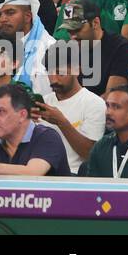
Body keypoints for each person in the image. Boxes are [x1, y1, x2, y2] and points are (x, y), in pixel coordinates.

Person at [35, 40, 105, 173]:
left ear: (77, 70)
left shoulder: (94, 103)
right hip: (41, 173)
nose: (54, 79)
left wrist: (62, 122)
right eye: (50, 72)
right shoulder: (43, 102)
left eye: (60, 73)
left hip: (75, 175)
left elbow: (89, 154)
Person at [59, 1, 128, 97]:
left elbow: (112, 97)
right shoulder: (68, 50)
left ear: (95, 23)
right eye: (69, 31)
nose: (73, 36)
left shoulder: (121, 48)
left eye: (77, 29)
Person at [80, 84, 128, 179]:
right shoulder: (101, 146)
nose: (108, 112)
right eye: (107, 106)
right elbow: (93, 190)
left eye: (116, 107)